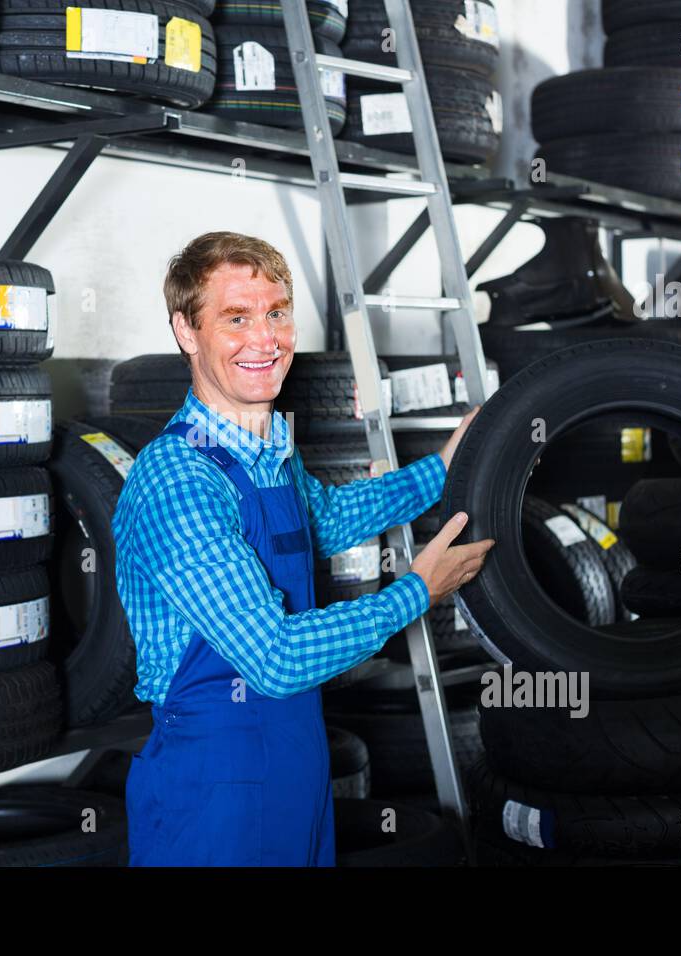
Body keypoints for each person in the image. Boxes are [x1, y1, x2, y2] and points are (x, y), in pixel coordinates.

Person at [111, 230, 495, 867]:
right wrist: (416, 592)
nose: (265, 341)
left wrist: (444, 470)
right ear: (186, 332)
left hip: (297, 767)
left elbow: (328, 517)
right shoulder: (179, 482)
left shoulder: (265, 455)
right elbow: (275, 658)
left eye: (277, 314)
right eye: (236, 319)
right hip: (216, 788)